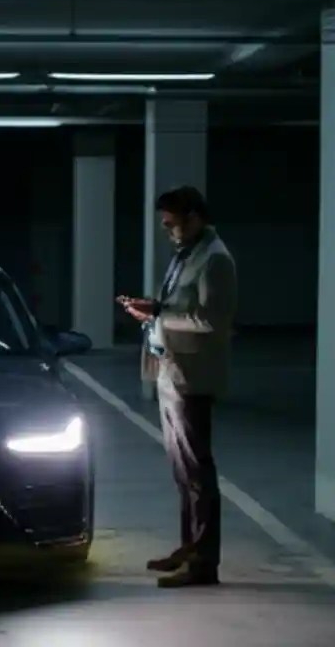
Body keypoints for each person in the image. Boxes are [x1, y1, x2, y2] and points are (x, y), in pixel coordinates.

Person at [116, 185, 237, 588]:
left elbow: (210, 321)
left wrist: (161, 316)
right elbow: (178, 307)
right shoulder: (188, 254)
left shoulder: (215, 260)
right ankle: (189, 549)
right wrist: (153, 309)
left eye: (173, 224)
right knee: (183, 473)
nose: (169, 232)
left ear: (195, 217)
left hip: (192, 377)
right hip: (171, 372)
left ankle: (204, 563)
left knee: (198, 473)